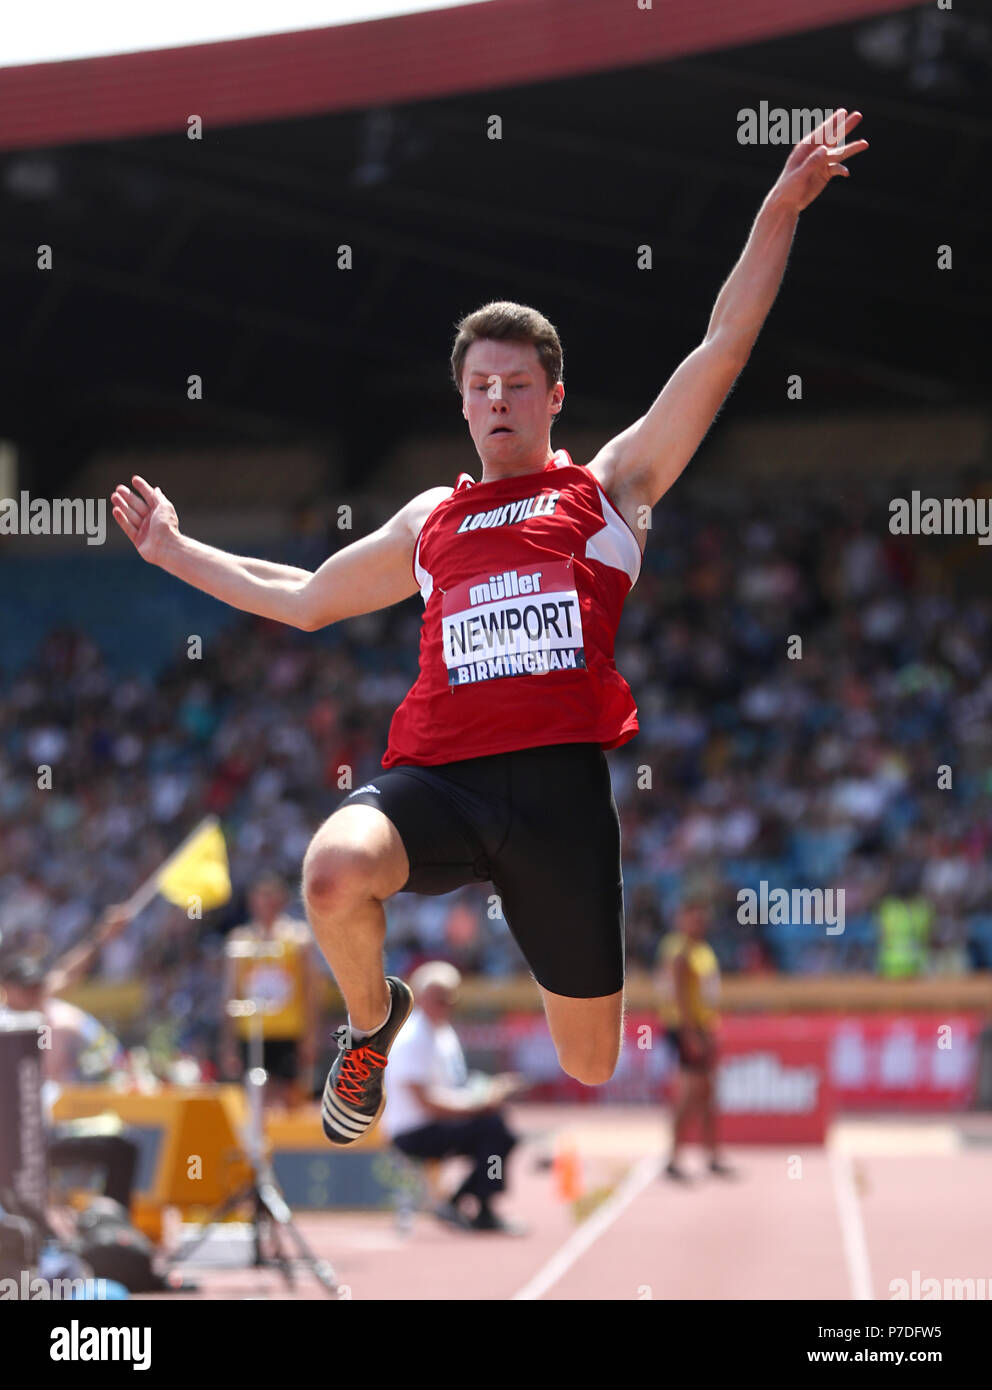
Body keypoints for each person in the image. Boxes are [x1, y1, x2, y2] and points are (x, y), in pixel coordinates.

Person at [110, 111, 868, 1146]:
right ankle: (370, 1026)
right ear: (462, 405)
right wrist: (174, 551)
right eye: (480, 387)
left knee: (589, 1059)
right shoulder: (433, 518)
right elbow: (306, 596)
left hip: (559, 799)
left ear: (553, 397)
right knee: (331, 871)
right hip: (440, 781)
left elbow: (721, 346)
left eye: (516, 385)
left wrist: (778, 208)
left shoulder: (611, 487)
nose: (498, 399)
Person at [0, 904, 138, 1210]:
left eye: (37, 987)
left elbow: (68, 972)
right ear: (8, 988)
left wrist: (103, 936)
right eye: (27, 988)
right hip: (11, 1140)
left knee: (121, 1148)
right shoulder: (4, 1020)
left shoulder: (41, 1009)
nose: (35, 993)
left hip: (46, 1133)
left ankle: (110, 1224)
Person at [379, 962, 524, 1232]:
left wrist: (488, 1091)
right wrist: (478, 1106)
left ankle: (465, 1200)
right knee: (495, 1130)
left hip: (436, 1123)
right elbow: (425, 1102)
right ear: (420, 998)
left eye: (450, 999)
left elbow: (455, 1087)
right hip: (413, 1131)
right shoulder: (412, 1037)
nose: (446, 1005)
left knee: (500, 1134)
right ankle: (477, 1204)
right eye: (439, 998)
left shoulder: (443, 1033)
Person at [220, 873, 318, 1108]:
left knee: (289, 1099)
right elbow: (231, 993)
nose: (266, 903)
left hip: (288, 1030)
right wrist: (228, 1042)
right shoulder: (240, 941)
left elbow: (310, 990)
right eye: (261, 897)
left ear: (282, 899)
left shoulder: (299, 939)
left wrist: (310, 1036)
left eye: (271, 896)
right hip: (252, 1031)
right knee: (256, 1098)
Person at [654, 894, 733, 1182]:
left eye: (701, 916)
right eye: (692, 916)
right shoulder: (679, 949)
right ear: (681, 919)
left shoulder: (703, 950)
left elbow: (706, 994)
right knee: (689, 1093)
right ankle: (673, 1157)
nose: (698, 921)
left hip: (703, 1027)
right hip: (686, 1028)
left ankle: (712, 1155)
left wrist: (708, 1029)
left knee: (708, 1093)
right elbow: (679, 995)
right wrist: (690, 1034)